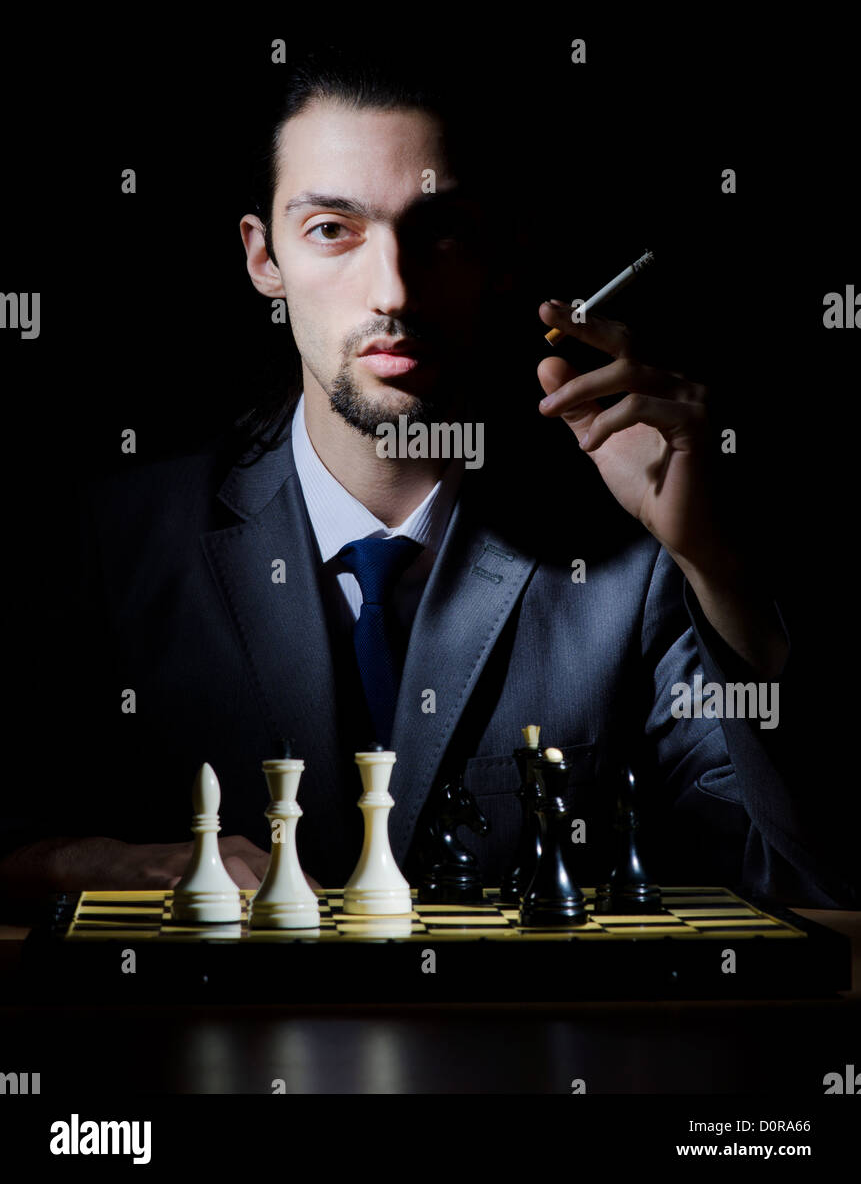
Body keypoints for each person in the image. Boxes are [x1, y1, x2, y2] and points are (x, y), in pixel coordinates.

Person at [0, 47, 851, 906]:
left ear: (499, 258)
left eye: (439, 231)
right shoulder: (115, 542)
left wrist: (719, 569)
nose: (393, 292)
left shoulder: (633, 553)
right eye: (333, 229)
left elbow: (809, 882)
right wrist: (83, 863)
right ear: (264, 260)